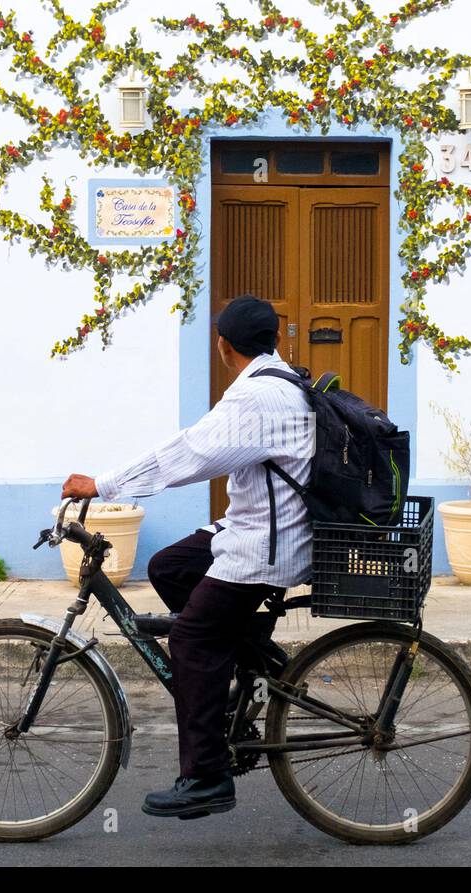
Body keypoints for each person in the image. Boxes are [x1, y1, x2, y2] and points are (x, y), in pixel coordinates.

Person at [61, 295, 313, 820]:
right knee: (169, 567)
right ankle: (255, 661)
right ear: (275, 341)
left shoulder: (257, 399)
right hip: (257, 529)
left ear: (224, 347)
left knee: (193, 639)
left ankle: (207, 777)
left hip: (265, 547)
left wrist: (103, 484)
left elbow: (190, 454)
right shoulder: (281, 382)